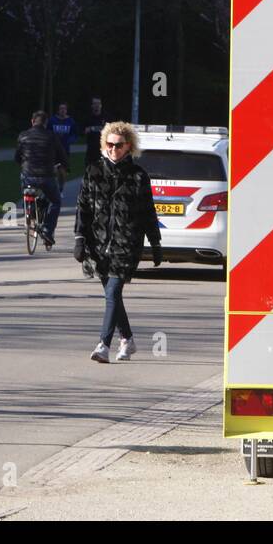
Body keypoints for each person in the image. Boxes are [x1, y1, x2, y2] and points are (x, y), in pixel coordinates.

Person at [74, 121, 162, 363]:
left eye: (119, 145)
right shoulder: (93, 171)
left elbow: (147, 211)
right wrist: (79, 238)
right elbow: (83, 208)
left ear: (128, 146)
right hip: (98, 244)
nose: (114, 149)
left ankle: (103, 344)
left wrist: (155, 243)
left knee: (113, 291)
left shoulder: (137, 176)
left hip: (127, 244)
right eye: (110, 144)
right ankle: (128, 340)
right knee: (113, 296)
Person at [15, 110, 68, 248]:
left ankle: (30, 212)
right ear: (45, 123)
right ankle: (47, 230)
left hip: (28, 176)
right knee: (55, 201)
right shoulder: (51, 136)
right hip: (47, 177)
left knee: (27, 191)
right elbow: (61, 154)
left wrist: (23, 164)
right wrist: (65, 166)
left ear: (32, 121)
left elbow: (17, 157)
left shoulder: (23, 136)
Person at [82, 97, 111, 167]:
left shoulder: (106, 117)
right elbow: (83, 131)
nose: (97, 105)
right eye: (95, 103)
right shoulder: (88, 117)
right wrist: (87, 130)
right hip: (91, 150)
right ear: (92, 105)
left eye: (98, 103)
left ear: (101, 105)